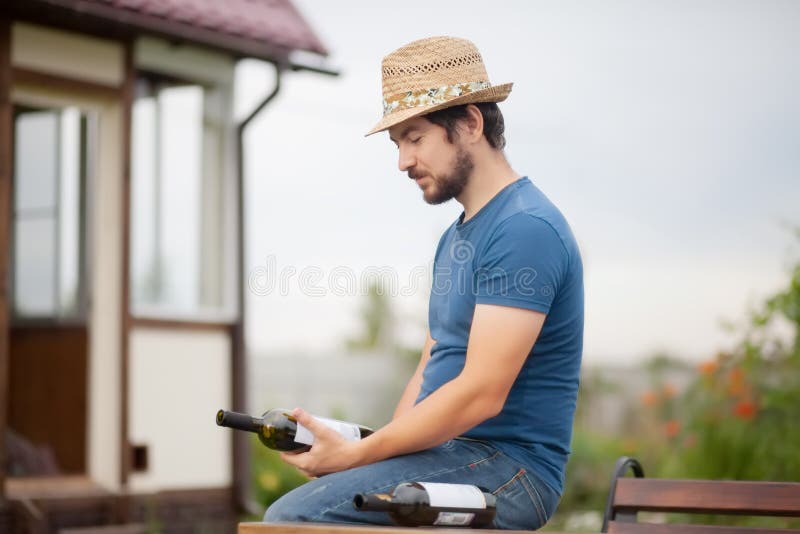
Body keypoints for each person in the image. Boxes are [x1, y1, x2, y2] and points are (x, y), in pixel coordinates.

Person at [264, 35, 584, 530]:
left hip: (510, 469)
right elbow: (430, 367)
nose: (403, 162)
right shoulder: (457, 236)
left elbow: (481, 393)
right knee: (308, 507)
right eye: (397, 145)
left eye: (415, 138)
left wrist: (357, 456)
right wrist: (372, 456)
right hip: (453, 454)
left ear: (471, 123)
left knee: (295, 516)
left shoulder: (524, 228)